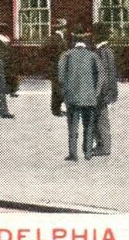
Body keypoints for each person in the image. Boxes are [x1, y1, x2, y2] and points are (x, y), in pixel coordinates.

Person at [57, 29, 101, 161]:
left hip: (72, 98)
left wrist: (65, 92)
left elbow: (61, 77)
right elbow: (100, 76)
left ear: (74, 41)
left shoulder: (66, 55)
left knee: (73, 127)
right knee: (88, 126)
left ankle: (73, 154)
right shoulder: (93, 56)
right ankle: (87, 153)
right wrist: (95, 93)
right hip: (89, 98)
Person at [93, 24, 120, 156]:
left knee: (100, 119)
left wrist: (99, 93)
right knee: (100, 118)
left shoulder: (102, 52)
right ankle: (102, 145)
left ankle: (103, 147)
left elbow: (102, 74)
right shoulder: (107, 50)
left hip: (101, 92)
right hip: (106, 91)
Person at [45, 19, 71, 117]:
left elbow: (42, 49)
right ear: (62, 29)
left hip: (53, 68)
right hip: (59, 68)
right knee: (60, 89)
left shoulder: (51, 38)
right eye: (65, 28)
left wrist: (50, 60)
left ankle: (56, 110)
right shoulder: (60, 40)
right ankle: (64, 108)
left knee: (55, 89)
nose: (66, 30)